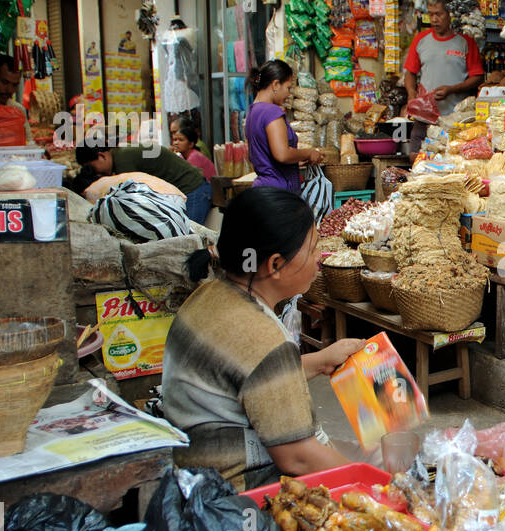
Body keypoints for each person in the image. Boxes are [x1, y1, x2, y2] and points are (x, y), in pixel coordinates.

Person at [165, 187, 366, 490]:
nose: (318, 260)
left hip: (192, 467)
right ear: (274, 265)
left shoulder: (210, 294)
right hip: (234, 489)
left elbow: (249, 378)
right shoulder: (263, 337)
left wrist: (319, 361)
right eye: (312, 250)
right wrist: (377, 484)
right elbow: (298, 458)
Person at [75, 140, 212, 224]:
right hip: (187, 188)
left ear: (102, 156)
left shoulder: (123, 160)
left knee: (189, 238)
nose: (97, 173)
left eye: (92, 167)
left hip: (193, 188)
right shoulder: (120, 156)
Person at [245, 58, 322, 194]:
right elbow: (282, 154)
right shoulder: (271, 111)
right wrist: (309, 153)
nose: (288, 93)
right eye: (288, 87)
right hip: (279, 192)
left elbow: (260, 155)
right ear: (275, 85)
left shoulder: (253, 111)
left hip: (263, 189)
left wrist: (295, 160)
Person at [403, 0, 484, 118]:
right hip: (425, 115)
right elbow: (410, 72)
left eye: (439, 14)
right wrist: (411, 92)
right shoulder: (420, 39)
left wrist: (452, 89)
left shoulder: (465, 42)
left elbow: (477, 77)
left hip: (456, 117)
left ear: (449, 14)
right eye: (431, 14)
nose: (434, 19)